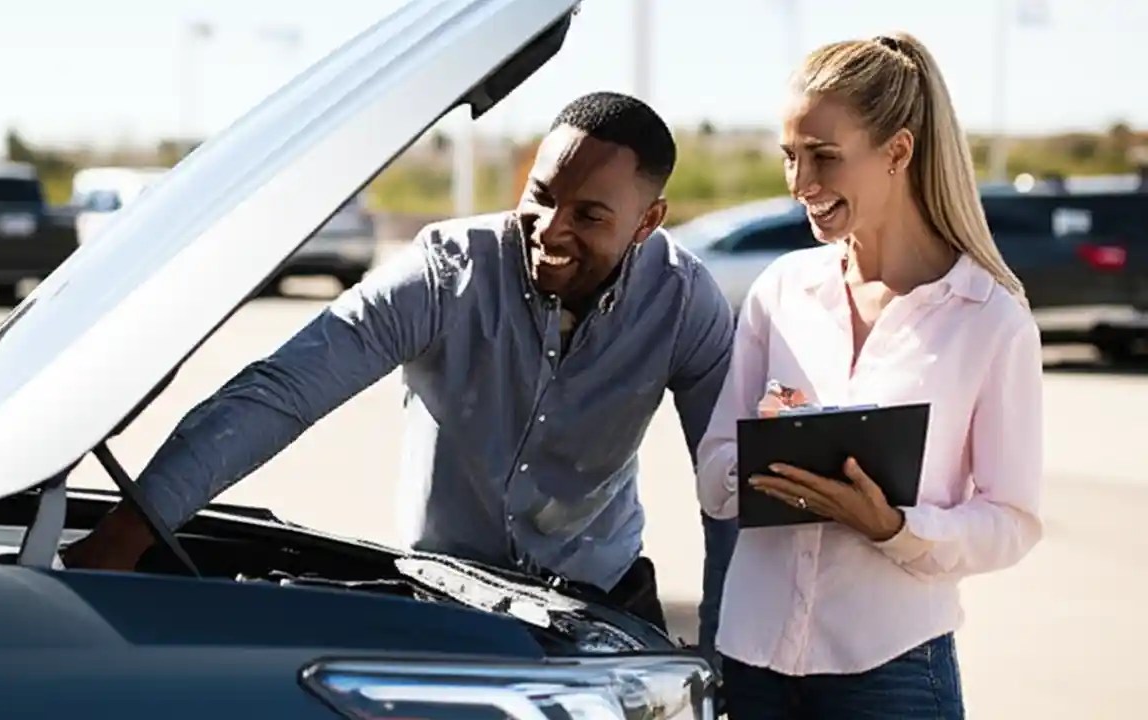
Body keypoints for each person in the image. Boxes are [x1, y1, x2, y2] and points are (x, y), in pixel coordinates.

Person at [64, 91, 740, 638]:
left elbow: (727, 486)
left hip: (604, 601)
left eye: (589, 216)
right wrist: (130, 529)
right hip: (447, 598)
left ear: (648, 221)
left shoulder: (684, 303)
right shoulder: (445, 272)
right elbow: (283, 391)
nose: (550, 228)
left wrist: (722, 644)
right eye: (540, 194)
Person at [695, 33, 1044, 718]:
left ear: (899, 152)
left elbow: (1013, 520)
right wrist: (766, 456)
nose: (800, 186)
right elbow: (713, 476)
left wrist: (893, 527)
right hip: (753, 658)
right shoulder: (781, 291)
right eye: (791, 157)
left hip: (891, 671)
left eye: (824, 157)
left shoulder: (990, 319)